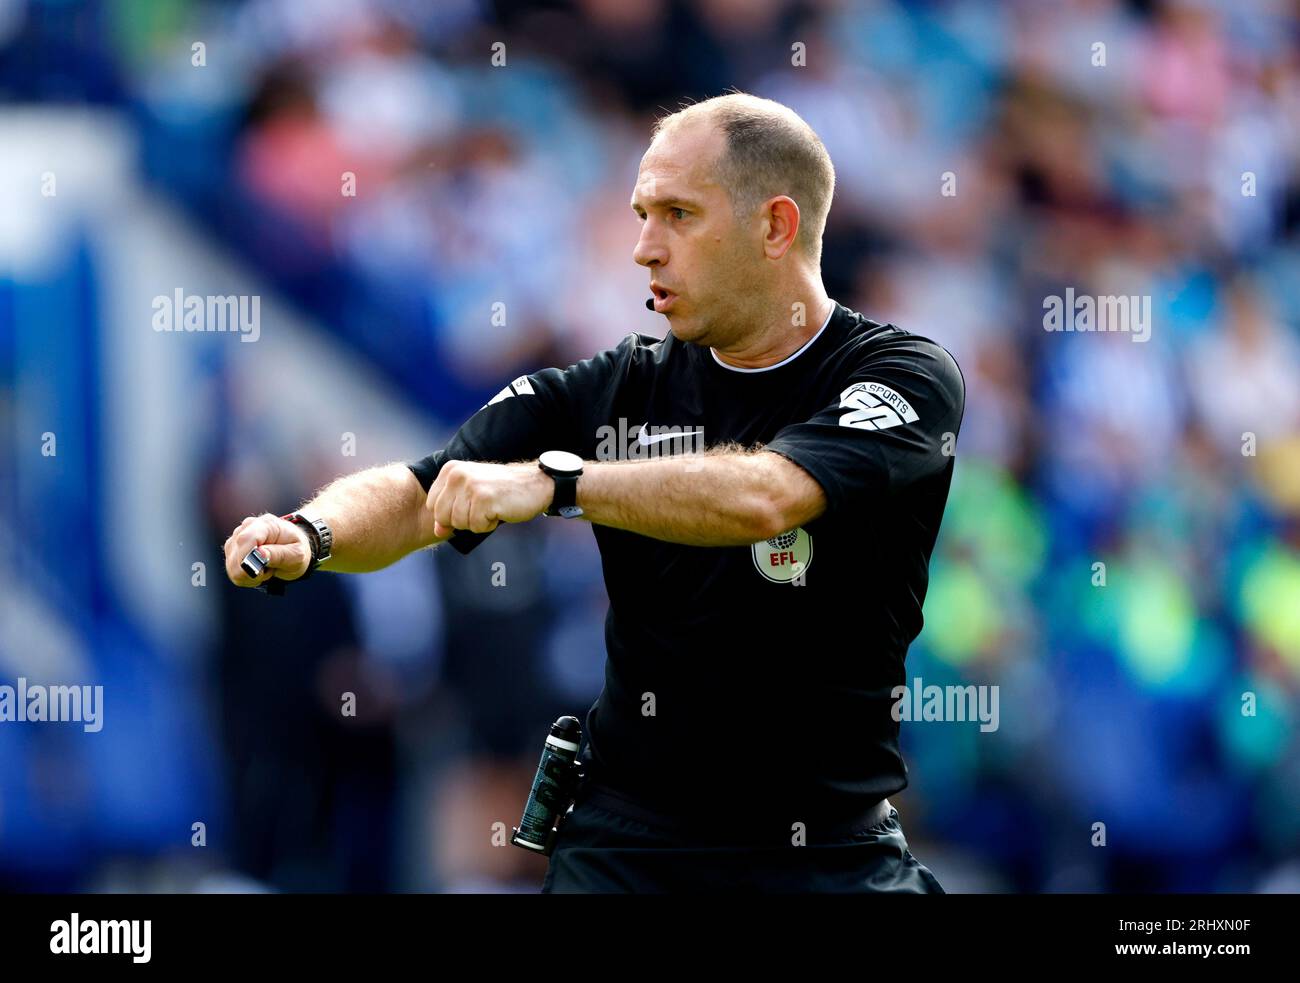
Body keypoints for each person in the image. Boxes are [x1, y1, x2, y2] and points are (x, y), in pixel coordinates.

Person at [224, 92, 963, 893]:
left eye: (679, 214)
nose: (646, 248)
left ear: (776, 226)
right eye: (642, 214)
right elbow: (423, 490)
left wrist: (558, 483)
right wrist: (312, 532)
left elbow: (768, 496)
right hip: (629, 851)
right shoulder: (614, 387)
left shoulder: (898, 377)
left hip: (830, 851)